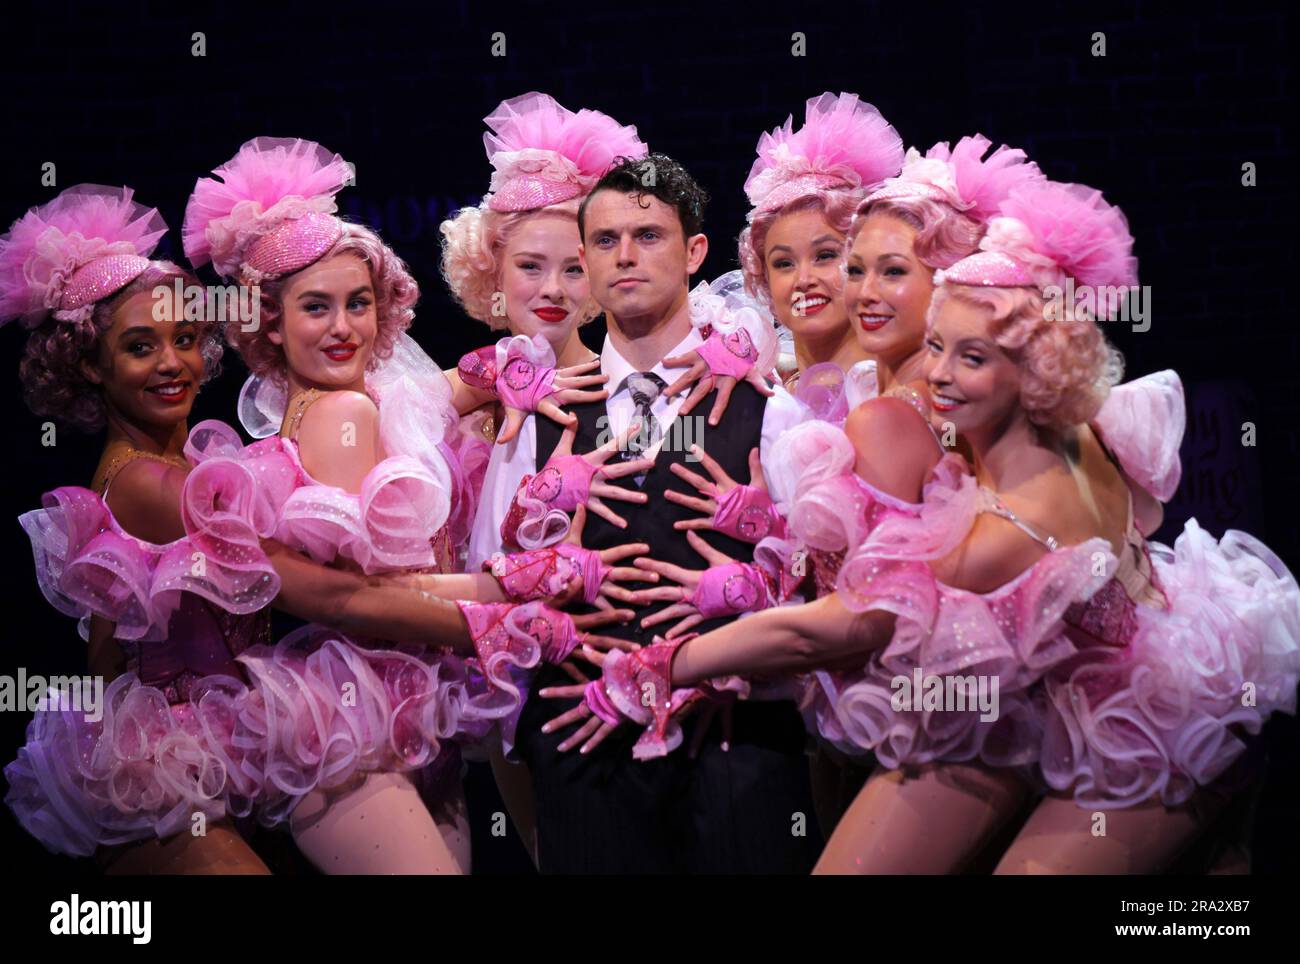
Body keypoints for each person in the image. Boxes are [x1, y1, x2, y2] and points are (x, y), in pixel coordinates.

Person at [516, 152, 823, 873]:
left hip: (737, 745)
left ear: (693, 252)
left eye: (648, 236)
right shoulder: (537, 419)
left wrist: (736, 639)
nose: (625, 256)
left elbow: (821, 589)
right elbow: (495, 588)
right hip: (584, 745)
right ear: (586, 259)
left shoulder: (773, 408)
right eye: (605, 240)